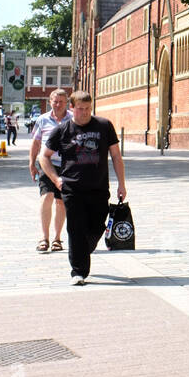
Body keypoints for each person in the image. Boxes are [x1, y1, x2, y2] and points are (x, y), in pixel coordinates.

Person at [38, 90, 127, 285]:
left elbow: (116, 156)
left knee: (96, 227)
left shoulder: (104, 126)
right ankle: (78, 272)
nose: (85, 112)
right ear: (72, 108)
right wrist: (55, 179)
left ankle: (84, 249)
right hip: (72, 189)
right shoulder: (62, 130)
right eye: (80, 109)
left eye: (88, 108)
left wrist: (122, 183)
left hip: (99, 188)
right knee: (75, 229)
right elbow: (43, 157)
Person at [30, 89, 72, 254]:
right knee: (46, 197)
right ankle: (44, 238)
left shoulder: (73, 119)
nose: (58, 104)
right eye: (55, 101)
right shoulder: (42, 119)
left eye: (61, 101)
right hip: (46, 163)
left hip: (67, 165)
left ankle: (57, 238)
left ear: (66, 102)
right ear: (50, 102)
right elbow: (35, 143)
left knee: (61, 201)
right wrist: (31, 163)